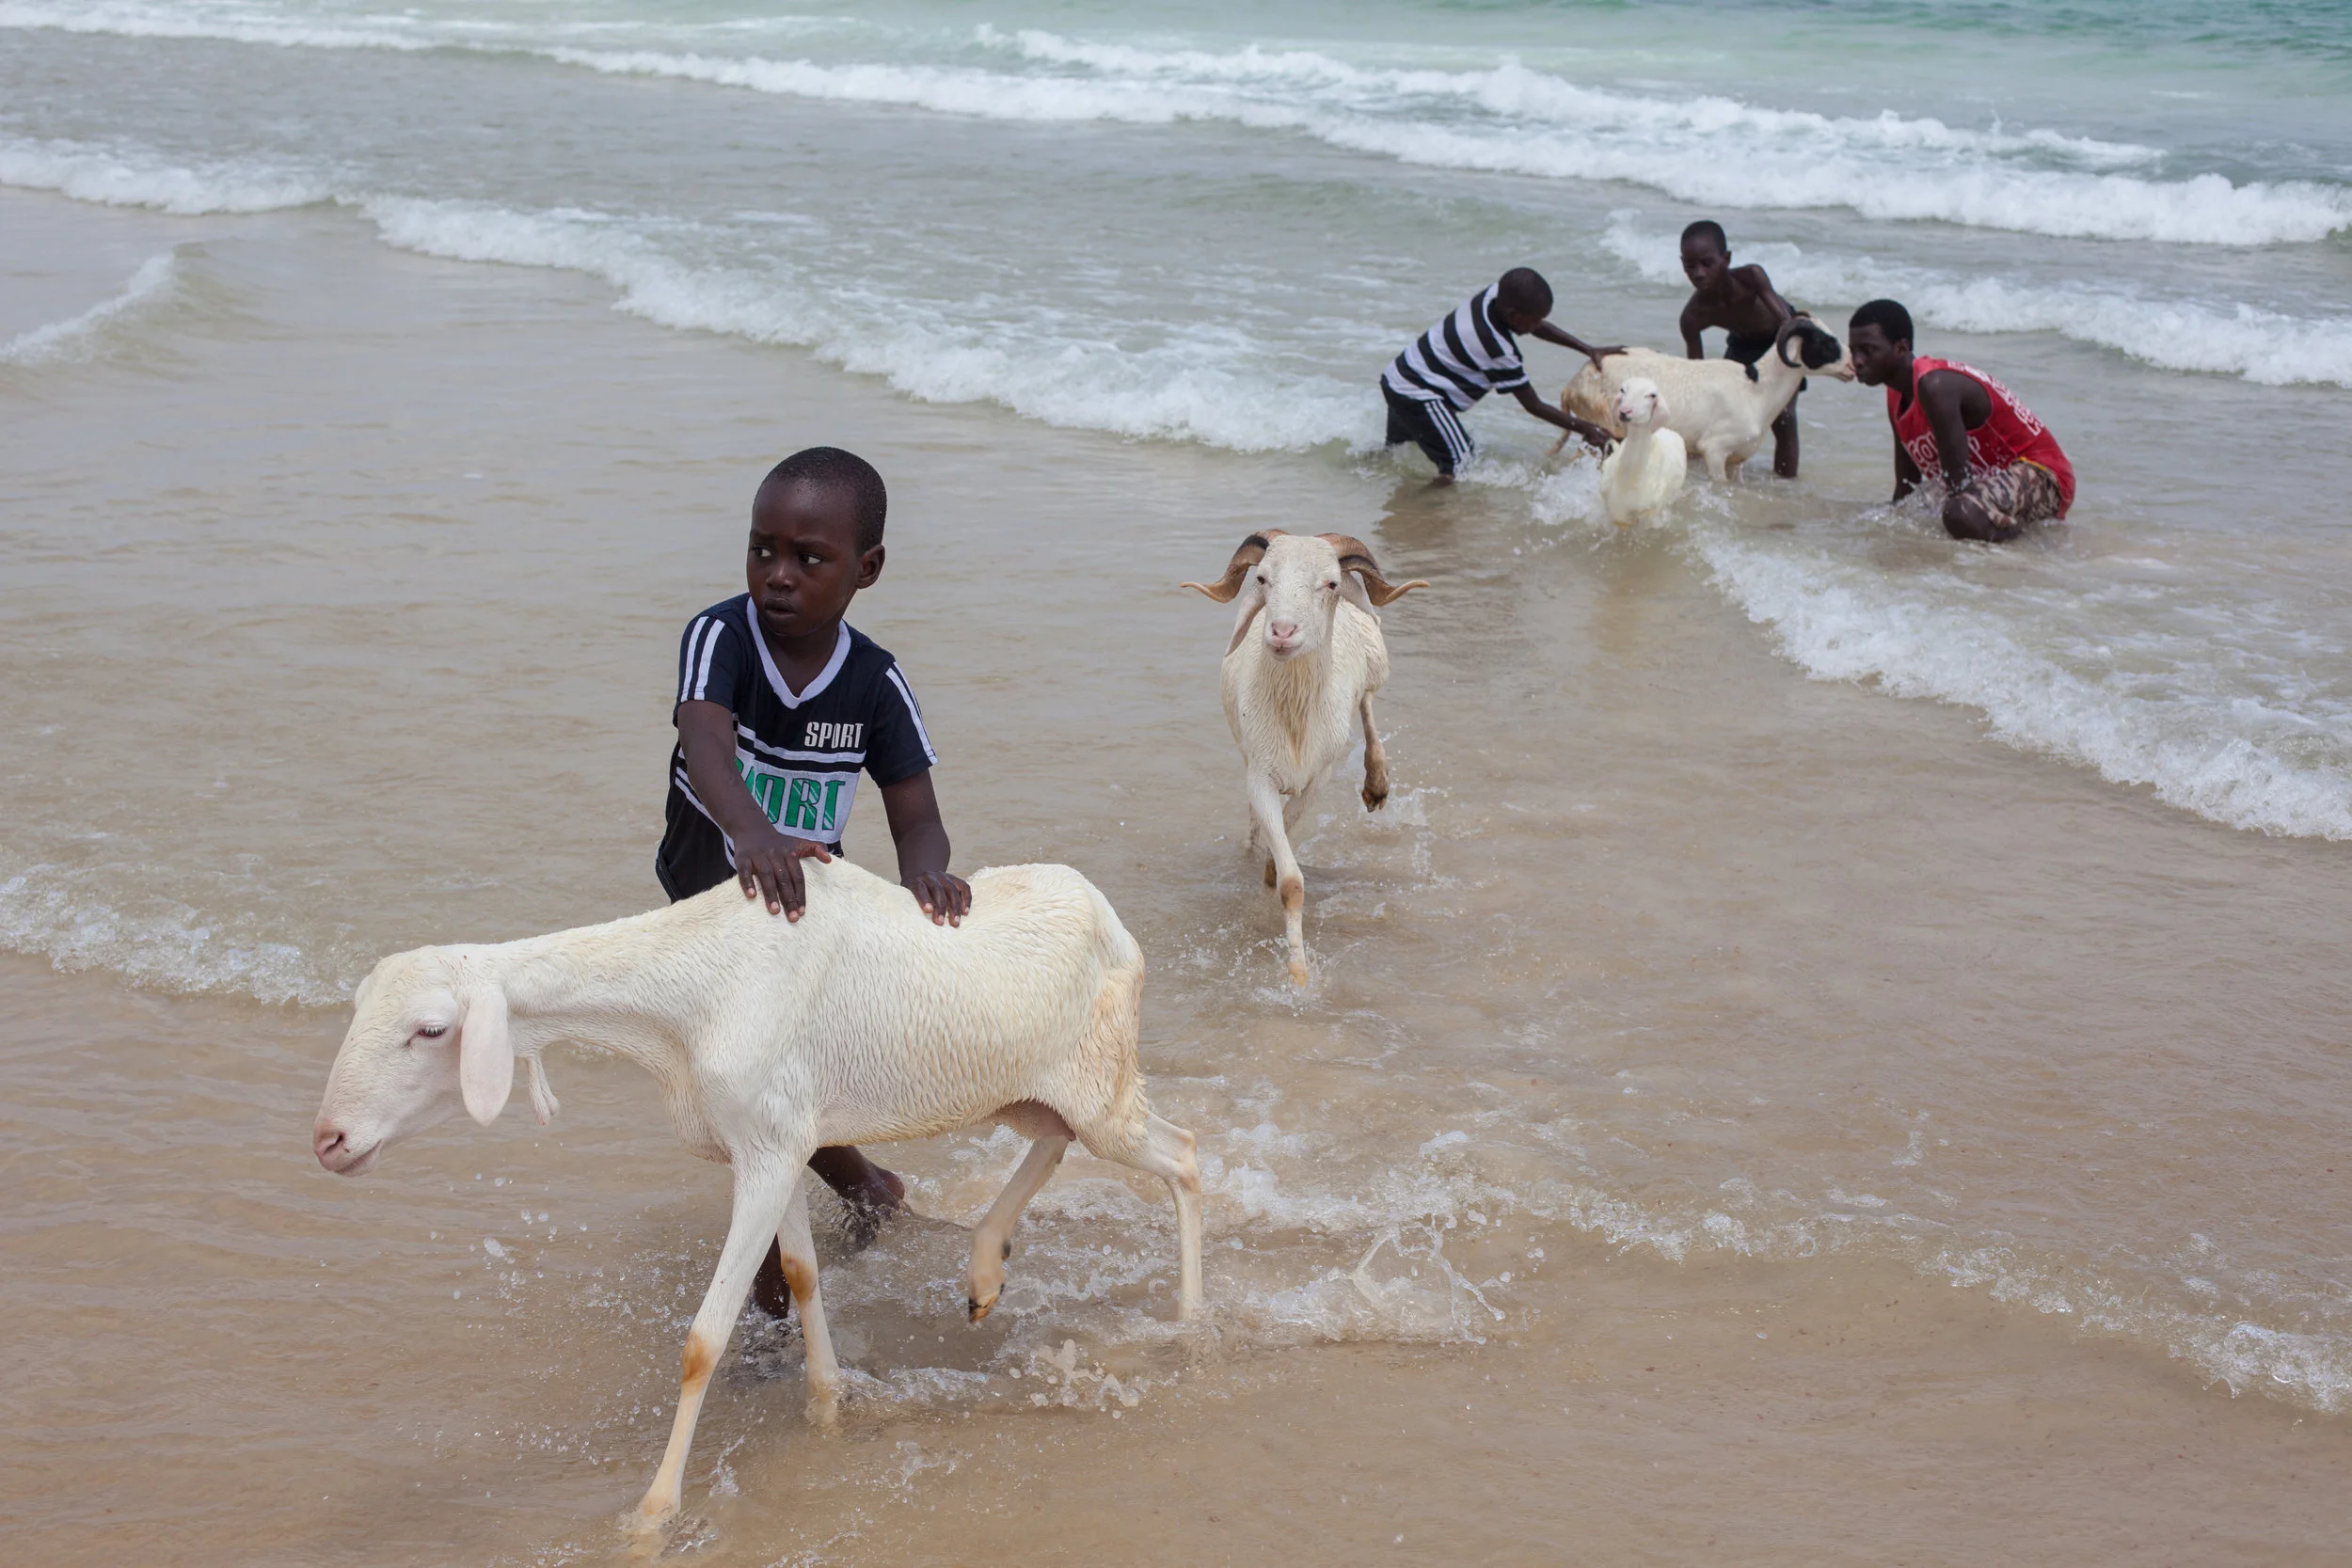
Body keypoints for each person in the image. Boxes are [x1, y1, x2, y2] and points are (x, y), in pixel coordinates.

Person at [658, 444, 971, 1313]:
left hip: (797, 921)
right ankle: (867, 1189)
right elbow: (704, 741)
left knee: (766, 1105)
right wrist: (752, 831)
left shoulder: (874, 681)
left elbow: (917, 814)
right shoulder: (722, 637)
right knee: (760, 1099)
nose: (778, 575)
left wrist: (927, 885)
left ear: (865, 569)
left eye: (809, 557)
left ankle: (769, 1309)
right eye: (763, 549)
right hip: (703, 911)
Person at [1847, 299, 2075, 543]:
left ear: (1901, 348)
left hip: (2045, 475)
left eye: (1868, 350)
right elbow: (1906, 486)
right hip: (1994, 482)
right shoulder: (1895, 396)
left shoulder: (1934, 386)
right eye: (1853, 351)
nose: (1857, 361)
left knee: (1960, 514)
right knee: (1897, 514)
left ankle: (2024, 548)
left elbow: (1958, 481)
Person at [1381, 266, 1620, 479]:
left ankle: (1376, 483)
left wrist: (1587, 349)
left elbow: (1533, 325)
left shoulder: (1494, 296)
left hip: (1399, 375)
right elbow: (1533, 406)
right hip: (1418, 393)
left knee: (1397, 452)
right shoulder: (1496, 349)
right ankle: (1419, 512)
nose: (1537, 327)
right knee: (1460, 464)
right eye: (1534, 321)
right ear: (1512, 315)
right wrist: (1588, 428)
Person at [1677, 219, 1804, 479]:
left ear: (1726, 259)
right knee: (1722, 416)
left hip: (1783, 337)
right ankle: (1726, 478)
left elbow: (1786, 324)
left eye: (1707, 263)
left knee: (1784, 416)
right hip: (1742, 344)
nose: (1699, 273)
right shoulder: (1693, 316)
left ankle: (1785, 486)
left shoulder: (1751, 277)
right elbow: (1696, 375)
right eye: (1690, 266)